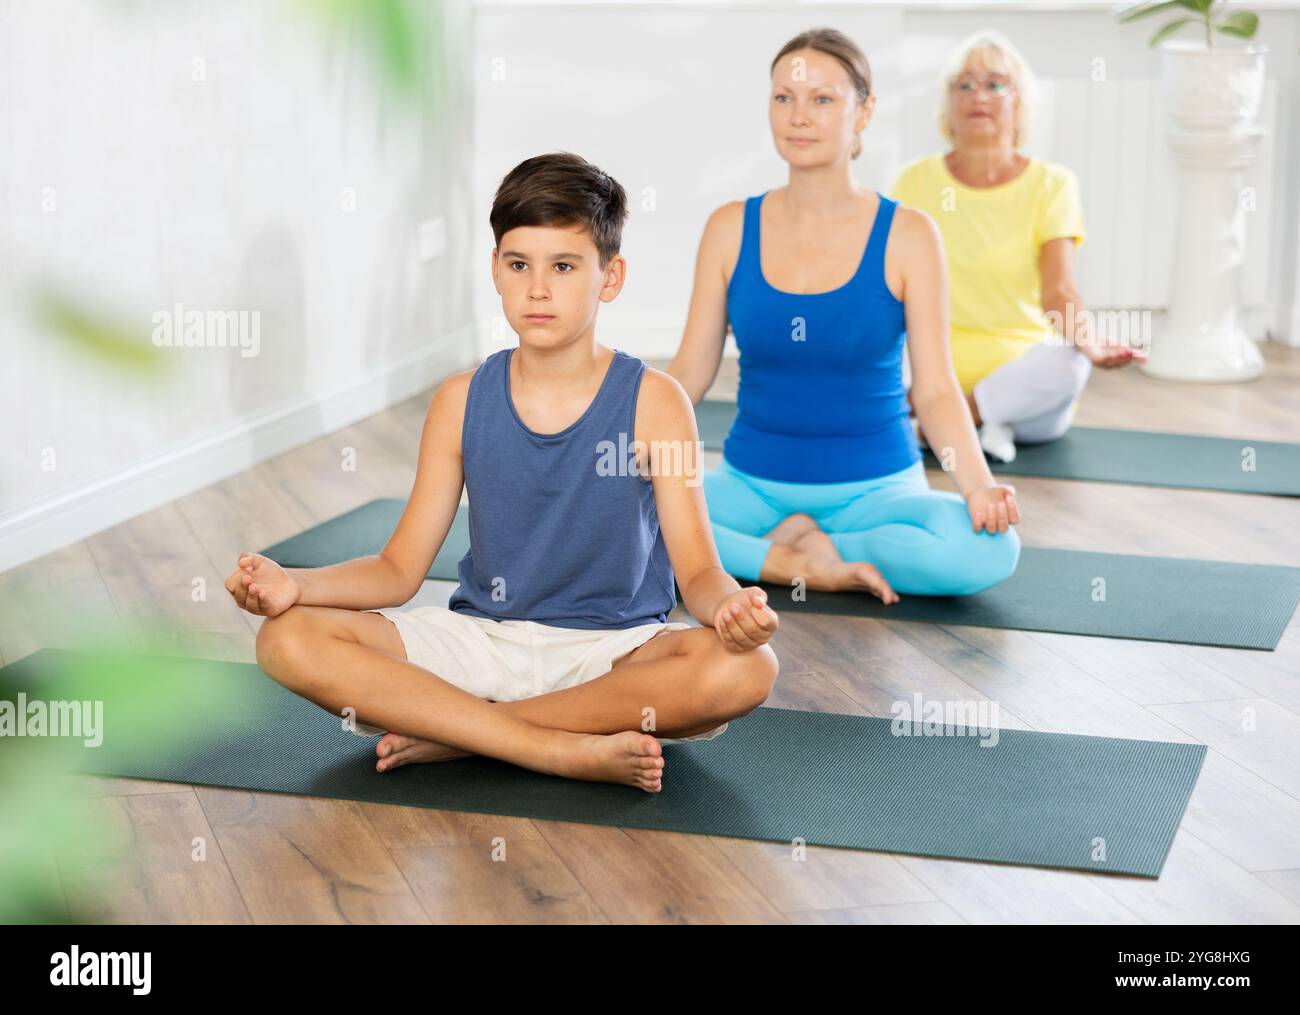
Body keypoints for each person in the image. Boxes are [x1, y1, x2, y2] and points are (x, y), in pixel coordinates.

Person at [225, 153, 779, 794]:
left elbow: (699, 574)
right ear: (496, 269)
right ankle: (547, 748)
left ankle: (462, 737)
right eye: (519, 265)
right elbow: (397, 573)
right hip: (482, 642)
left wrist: (732, 608)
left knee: (746, 668)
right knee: (285, 640)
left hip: (615, 656)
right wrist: (296, 585)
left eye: (564, 267)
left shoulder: (657, 401)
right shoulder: (460, 400)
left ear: (611, 276)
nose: (537, 289)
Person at [668, 27, 1020, 601]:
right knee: (629, 510)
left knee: (989, 549)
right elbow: (689, 372)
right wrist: (623, 436)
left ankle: (814, 552)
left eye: (822, 99)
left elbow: (933, 390)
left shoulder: (909, 235)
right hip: (751, 489)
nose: (798, 116)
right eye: (784, 97)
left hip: (877, 493)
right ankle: (790, 562)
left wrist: (978, 486)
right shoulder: (729, 228)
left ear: (864, 112)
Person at [890, 29, 1146, 464]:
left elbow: (1059, 292)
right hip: (931, 373)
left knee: (1069, 362)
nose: (979, 96)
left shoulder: (1052, 184)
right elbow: (891, 285)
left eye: (995, 84)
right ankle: (978, 425)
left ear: (1020, 101)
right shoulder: (913, 181)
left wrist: (1092, 343)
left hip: (1024, 387)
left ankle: (955, 422)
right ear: (948, 103)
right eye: (964, 84)